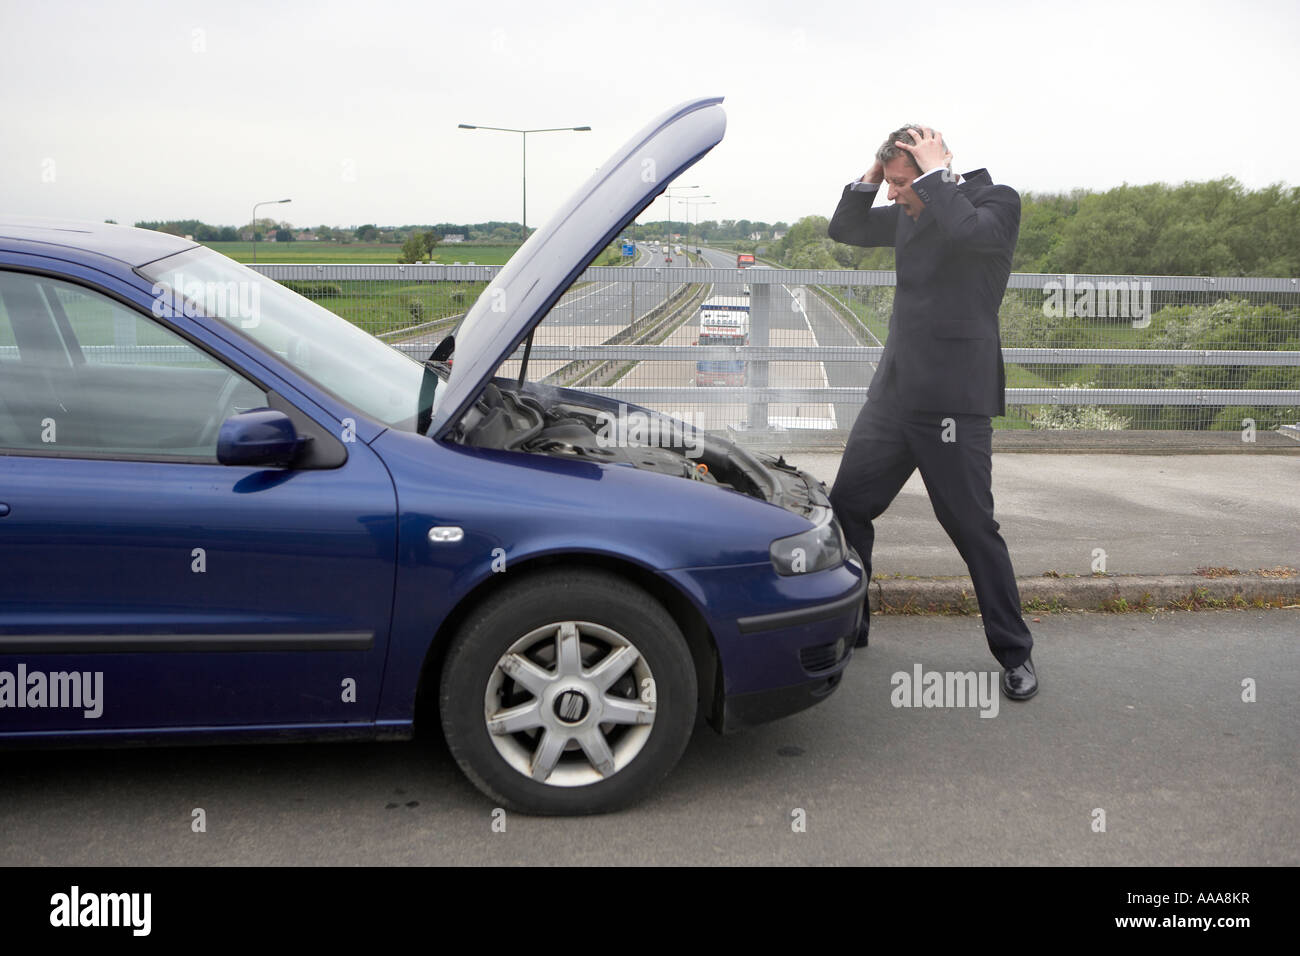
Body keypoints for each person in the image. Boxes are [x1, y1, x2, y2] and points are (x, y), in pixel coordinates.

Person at [827, 124, 1037, 700]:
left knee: (972, 528)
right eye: (889, 186)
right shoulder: (911, 211)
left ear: (933, 172)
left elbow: (970, 236)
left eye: (900, 184)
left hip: (954, 403)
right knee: (847, 507)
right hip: (894, 396)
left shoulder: (995, 202)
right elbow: (844, 227)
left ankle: (1015, 653)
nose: (893, 196)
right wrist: (874, 174)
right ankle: (853, 626)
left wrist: (935, 175)